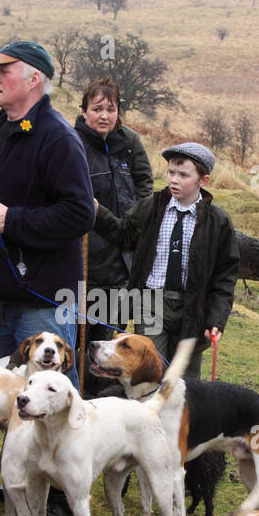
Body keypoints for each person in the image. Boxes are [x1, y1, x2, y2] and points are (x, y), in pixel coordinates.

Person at [0, 40, 93, 388]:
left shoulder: (58, 138)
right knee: (12, 400)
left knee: (53, 398)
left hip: (43, 303)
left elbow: (79, 214)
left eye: (4, 71)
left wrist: (10, 220)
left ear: (33, 80)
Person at [92, 141, 239, 379]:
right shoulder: (152, 207)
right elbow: (123, 234)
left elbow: (225, 275)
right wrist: (99, 212)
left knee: (184, 382)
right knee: (150, 373)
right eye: (171, 172)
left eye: (183, 175)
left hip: (192, 308)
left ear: (203, 181)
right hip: (151, 303)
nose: (174, 180)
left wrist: (216, 319)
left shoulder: (218, 222)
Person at [74, 77, 152, 391]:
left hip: (124, 261)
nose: (104, 116)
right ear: (83, 111)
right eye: (97, 109)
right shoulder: (72, 142)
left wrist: (133, 221)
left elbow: (145, 188)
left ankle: (98, 399)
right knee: (80, 337)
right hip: (86, 258)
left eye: (111, 109)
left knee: (108, 340)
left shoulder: (129, 142)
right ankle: (74, 391)